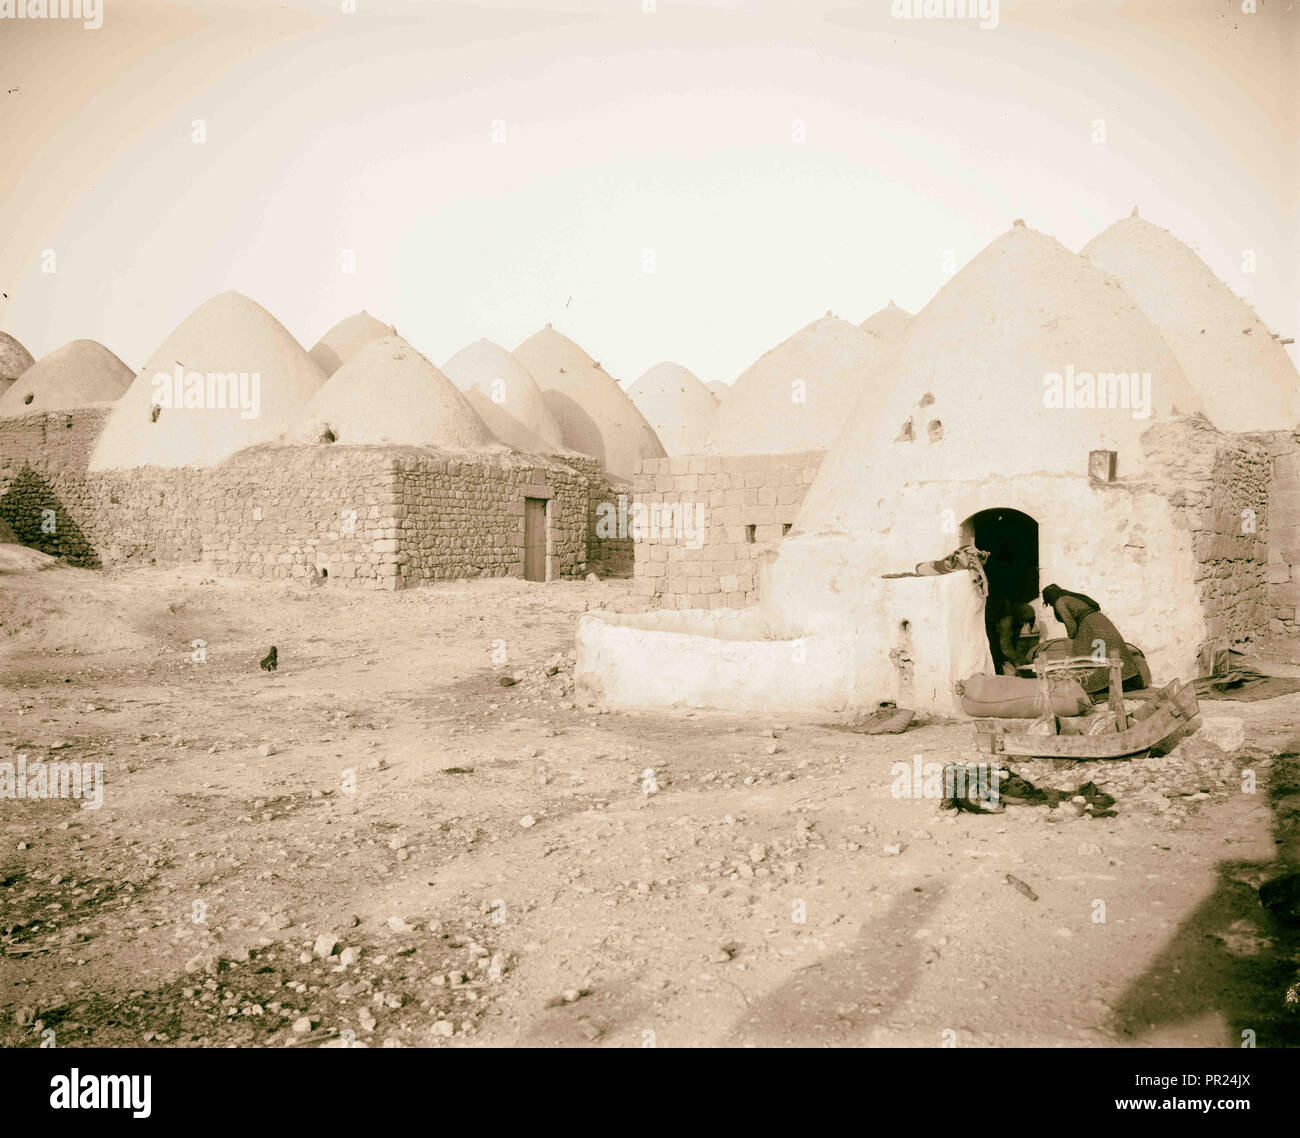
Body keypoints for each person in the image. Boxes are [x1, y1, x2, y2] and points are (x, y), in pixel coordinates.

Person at [1041, 584, 1143, 695]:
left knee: (1092, 654)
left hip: (1090, 626)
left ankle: (1100, 686)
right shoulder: (1070, 597)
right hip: (1101, 622)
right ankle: (1130, 681)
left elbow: (1070, 623)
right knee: (1111, 649)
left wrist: (1071, 638)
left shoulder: (1059, 602)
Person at [985, 598, 1037, 675]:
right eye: (1024, 621)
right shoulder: (1007, 619)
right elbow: (1005, 647)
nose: (1023, 624)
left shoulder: (1015, 618)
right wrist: (1018, 661)